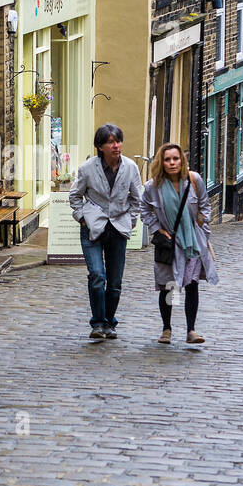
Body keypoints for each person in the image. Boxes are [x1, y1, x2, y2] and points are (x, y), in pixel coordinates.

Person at [69, 124, 143, 340]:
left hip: (119, 227)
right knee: (97, 275)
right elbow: (75, 196)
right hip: (93, 226)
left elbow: (136, 198)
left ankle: (110, 322)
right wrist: (82, 217)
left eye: (118, 141)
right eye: (111, 142)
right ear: (100, 146)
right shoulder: (87, 169)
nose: (116, 145)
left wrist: (130, 220)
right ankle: (97, 323)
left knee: (115, 281)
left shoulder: (130, 168)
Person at [141, 143, 219, 345]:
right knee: (170, 286)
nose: (172, 163)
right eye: (167, 159)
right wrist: (158, 229)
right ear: (161, 162)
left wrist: (200, 226)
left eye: (175, 159)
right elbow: (145, 210)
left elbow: (205, 205)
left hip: (192, 242)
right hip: (169, 243)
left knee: (191, 284)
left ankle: (191, 330)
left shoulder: (194, 180)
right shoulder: (153, 187)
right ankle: (167, 328)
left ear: (181, 160)